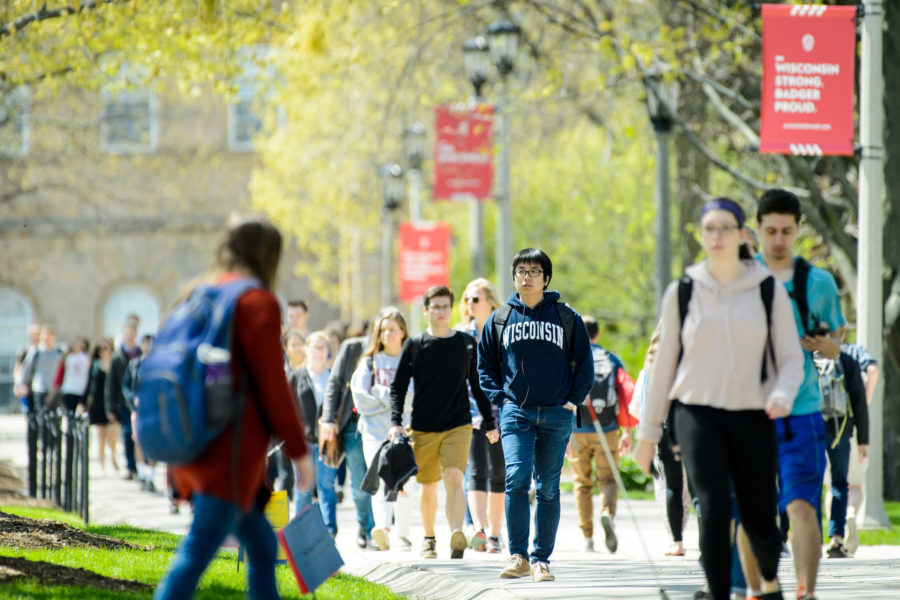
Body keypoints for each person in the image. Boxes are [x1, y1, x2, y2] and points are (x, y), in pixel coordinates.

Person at [634, 197, 805, 600]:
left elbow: (791, 358)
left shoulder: (767, 290)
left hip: (753, 412)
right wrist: (647, 434)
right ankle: (717, 591)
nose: (717, 236)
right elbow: (663, 368)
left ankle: (768, 584)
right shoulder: (684, 291)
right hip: (697, 414)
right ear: (701, 235)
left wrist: (782, 393)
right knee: (712, 511)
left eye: (726, 228)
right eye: (709, 228)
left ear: (742, 234)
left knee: (759, 516)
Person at [155, 213, 313, 600]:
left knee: (260, 547)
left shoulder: (199, 293)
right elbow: (273, 386)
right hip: (229, 455)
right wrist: (299, 451)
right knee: (197, 549)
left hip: (196, 440)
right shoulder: (257, 302)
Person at [477, 248, 594, 582]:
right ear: (514, 277)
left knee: (548, 487)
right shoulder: (500, 318)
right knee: (516, 480)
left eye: (533, 271)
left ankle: (541, 559)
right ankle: (518, 556)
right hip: (516, 413)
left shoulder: (566, 316)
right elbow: (485, 364)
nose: (526, 277)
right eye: (520, 271)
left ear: (546, 278)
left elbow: (585, 365)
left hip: (558, 413)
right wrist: (500, 399)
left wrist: (572, 402)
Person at [755, 189, 846, 600]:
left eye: (786, 231)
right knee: (753, 511)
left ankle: (805, 593)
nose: (778, 240)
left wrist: (821, 344)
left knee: (801, 506)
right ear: (757, 229)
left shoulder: (819, 282)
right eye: (770, 231)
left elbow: (836, 341)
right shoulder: (739, 276)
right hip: (748, 411)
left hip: (802, 408)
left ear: (797, 230)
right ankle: (760, 588)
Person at [389, 285, 497, 560]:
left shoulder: (465, 343)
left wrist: (489, 421)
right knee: (427, 486)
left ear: (451, 309)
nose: (440, 311)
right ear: (426, 310)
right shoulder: (414, 345)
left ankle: (456, 533)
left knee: (454, 476)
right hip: (423, 427)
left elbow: (477, 385)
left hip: (458, 424)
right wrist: (396, 423)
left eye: (444, 306)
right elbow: (398, 388)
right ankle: (429, 539)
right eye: (434, 306)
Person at [567, 315, 637, 554]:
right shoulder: (611, 359)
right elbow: (625, 394)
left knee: (582, 484)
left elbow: (564, 396)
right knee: (607, 479)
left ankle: (588, 537)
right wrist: (627, 432)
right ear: (597, 334)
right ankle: (607, 513)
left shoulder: (571, 359)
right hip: (607, 429)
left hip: (578, 430)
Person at [351, 308, 414, 551]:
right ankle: (383, 530)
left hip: (405, 430)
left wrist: (380, 392)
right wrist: (392, 398)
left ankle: (402, 534)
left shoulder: (411, 360)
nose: (388, 333)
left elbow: (414, 397)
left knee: (406, 481)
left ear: (402, 332)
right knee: (381, 478)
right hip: (374, 431)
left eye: (393, 329)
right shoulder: (369, 362)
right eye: (384, 329)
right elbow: (361, 400)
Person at [457, 278, 505, 554]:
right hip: (470, 412)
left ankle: (496, 535)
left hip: (500, 411)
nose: (470, 304)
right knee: (475, 472)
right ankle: (479, 529)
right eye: (467, 299)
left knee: (498, 473)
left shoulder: (504, 331)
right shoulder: (461, 335)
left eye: (475, 299)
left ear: (490, 301)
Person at [318, 328, 375, 549]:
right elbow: (333, 385)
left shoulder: (395, 349)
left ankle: (380, 528)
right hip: (353, 426)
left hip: (384, 425)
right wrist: (329, 419)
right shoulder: (352, 348)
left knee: (384, 481)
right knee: (361, 481)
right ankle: (365, 527)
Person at [817, 349, 868, 559]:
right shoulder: (847, 361)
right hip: (841, 430)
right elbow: (859, 402)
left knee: (812, 484)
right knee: (839, 483)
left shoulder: (810, 359)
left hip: (813, 428)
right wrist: (863, 439)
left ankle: (810, 536)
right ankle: (836, 539)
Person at [289, 330, 336, 528]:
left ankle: (329, 530)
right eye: (314, 346)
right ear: (306, 349)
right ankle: (301, 530)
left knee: (326, 486)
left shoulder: (334, 377)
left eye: (322, 346)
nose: (318, 351)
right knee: (303, 487)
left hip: (329, 442)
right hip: (303, 441)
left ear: (328, 351)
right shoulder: (297, 376)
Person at [838, 341, 878, 555]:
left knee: (833, 485)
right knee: (854, 485)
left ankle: (836, 536)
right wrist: (866, 398)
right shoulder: (854, 351)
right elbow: (872, 369)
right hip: (852, 424)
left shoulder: (817, 349)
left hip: (824, 426)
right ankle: (850, 514)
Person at [106, 318, 142, 481]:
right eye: (127, 334)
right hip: (123, 402)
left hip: (141, 402)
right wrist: (109, 407)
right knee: (127, 434)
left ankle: (142, 466)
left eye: (132, 334)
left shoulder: (142, 355)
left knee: (140, 435)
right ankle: (130, 465)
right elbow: (111, 383)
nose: (130, 337)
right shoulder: (117, 357)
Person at [123, 334, 156, 491]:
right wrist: (132, 398)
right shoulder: (134, 365)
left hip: (155, 410)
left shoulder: (160, 365)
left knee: (155, 443)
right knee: (138, 441)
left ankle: (151, 476)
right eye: (146, 344)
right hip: (138, 409)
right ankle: (142, 474)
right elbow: (126, 386)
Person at [87, 337, 118, 474]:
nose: (104, 351)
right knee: (101, 435)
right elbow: (88, 384)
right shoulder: (94, 365)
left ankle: (113, 457)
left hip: (112, 402)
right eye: (101, 349)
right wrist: (83, 402)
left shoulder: (115, 363)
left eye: (107, 348)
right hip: (98, 402)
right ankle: (101, 465)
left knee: (113, 434)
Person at [51, 336, 91, 413]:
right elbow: (60, 374)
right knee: (70, 414)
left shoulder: (86, 357)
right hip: (69, 389)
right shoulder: (67, 357)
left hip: (82, 390)